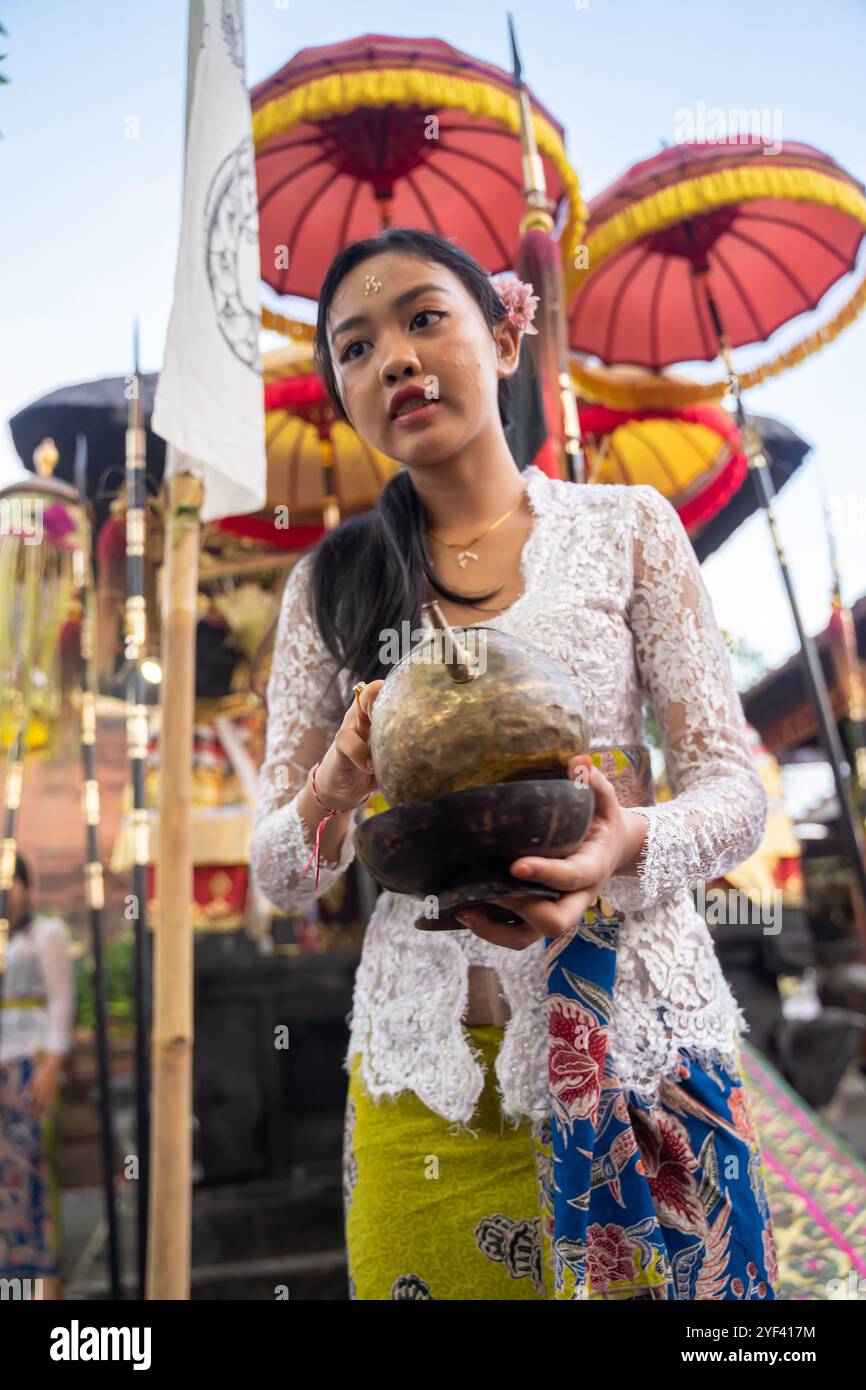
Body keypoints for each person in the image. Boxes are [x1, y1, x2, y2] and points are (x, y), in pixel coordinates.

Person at [250, 228, 781, 1301]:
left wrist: (627, 842)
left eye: (421, 318)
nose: (392, 357)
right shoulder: (330, 589)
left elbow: (733, 787)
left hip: (639, 1036)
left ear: (502, 338)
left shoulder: (625, 528)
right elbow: (277, 866)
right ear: (345, 394)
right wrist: (334, 787)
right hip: (424, 1082)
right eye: (354, 347)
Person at [0, 853, 74, 1299]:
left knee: (31, 1176)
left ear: (27, 887)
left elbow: (62, 1002)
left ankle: (44, 1286)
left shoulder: (47, 934)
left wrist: (50, 1064)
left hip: (30, 1065)